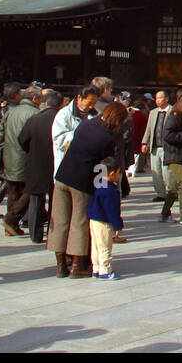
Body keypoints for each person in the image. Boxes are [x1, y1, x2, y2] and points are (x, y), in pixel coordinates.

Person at [50, 102, 119, 279]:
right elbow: (103, 167)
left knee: (60, 221)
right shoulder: (108, 138)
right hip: (82, 181)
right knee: (79, 223)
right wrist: (102, 191)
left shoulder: (86, 124)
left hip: (63, 175)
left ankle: (60, 265)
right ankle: (77, 266)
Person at [18, 90, 60, 245]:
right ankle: (53, 234)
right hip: (56, 165)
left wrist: (31, 151)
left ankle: (35, 235)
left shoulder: (34, 119)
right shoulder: (62, 120)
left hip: (36, 163)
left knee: (36, 201)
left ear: (45, 103)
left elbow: (22, 140)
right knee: (55, 201)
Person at [0, 84, 39, 237]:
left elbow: (0, 131)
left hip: (9, 155)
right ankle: (10, 219)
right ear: (34, 98)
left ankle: (11, 226)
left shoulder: (11, 111)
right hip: (25, 157)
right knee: (30, 190)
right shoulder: (35, 113)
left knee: (13, 191)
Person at [160, 90, 182, 225]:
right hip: (174, 155)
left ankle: (164, 213)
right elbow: (167, 135)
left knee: (174, 188)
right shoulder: (174, 117)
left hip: (181, 155)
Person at [88, 164, 124, 280]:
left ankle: (96, 268)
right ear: (112, 173)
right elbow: (112, 211)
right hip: (103, 222)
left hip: (93, 220)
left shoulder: (99, 184)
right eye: (118, 173)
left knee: (96, 246)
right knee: (105, 246)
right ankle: (105, 270)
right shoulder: (110, 191)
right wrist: (118, 226)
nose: (119, 176)